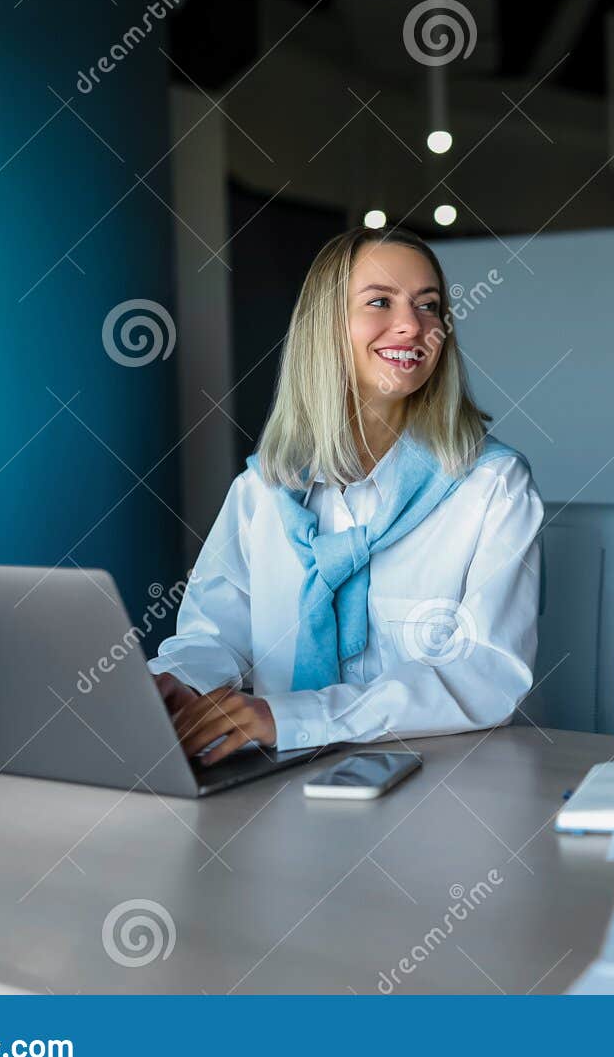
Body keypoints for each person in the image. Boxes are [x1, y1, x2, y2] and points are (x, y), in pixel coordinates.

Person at [148, 227, 543, 764]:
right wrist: (178, 684)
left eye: (429, 306)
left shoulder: (493, 486)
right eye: (380, 302)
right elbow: (217, 633)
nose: (412, 324)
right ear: (326, 327)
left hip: (441, 783)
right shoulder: (263, 491)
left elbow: (485, 673)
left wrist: (290, 718)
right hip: (275, 778)